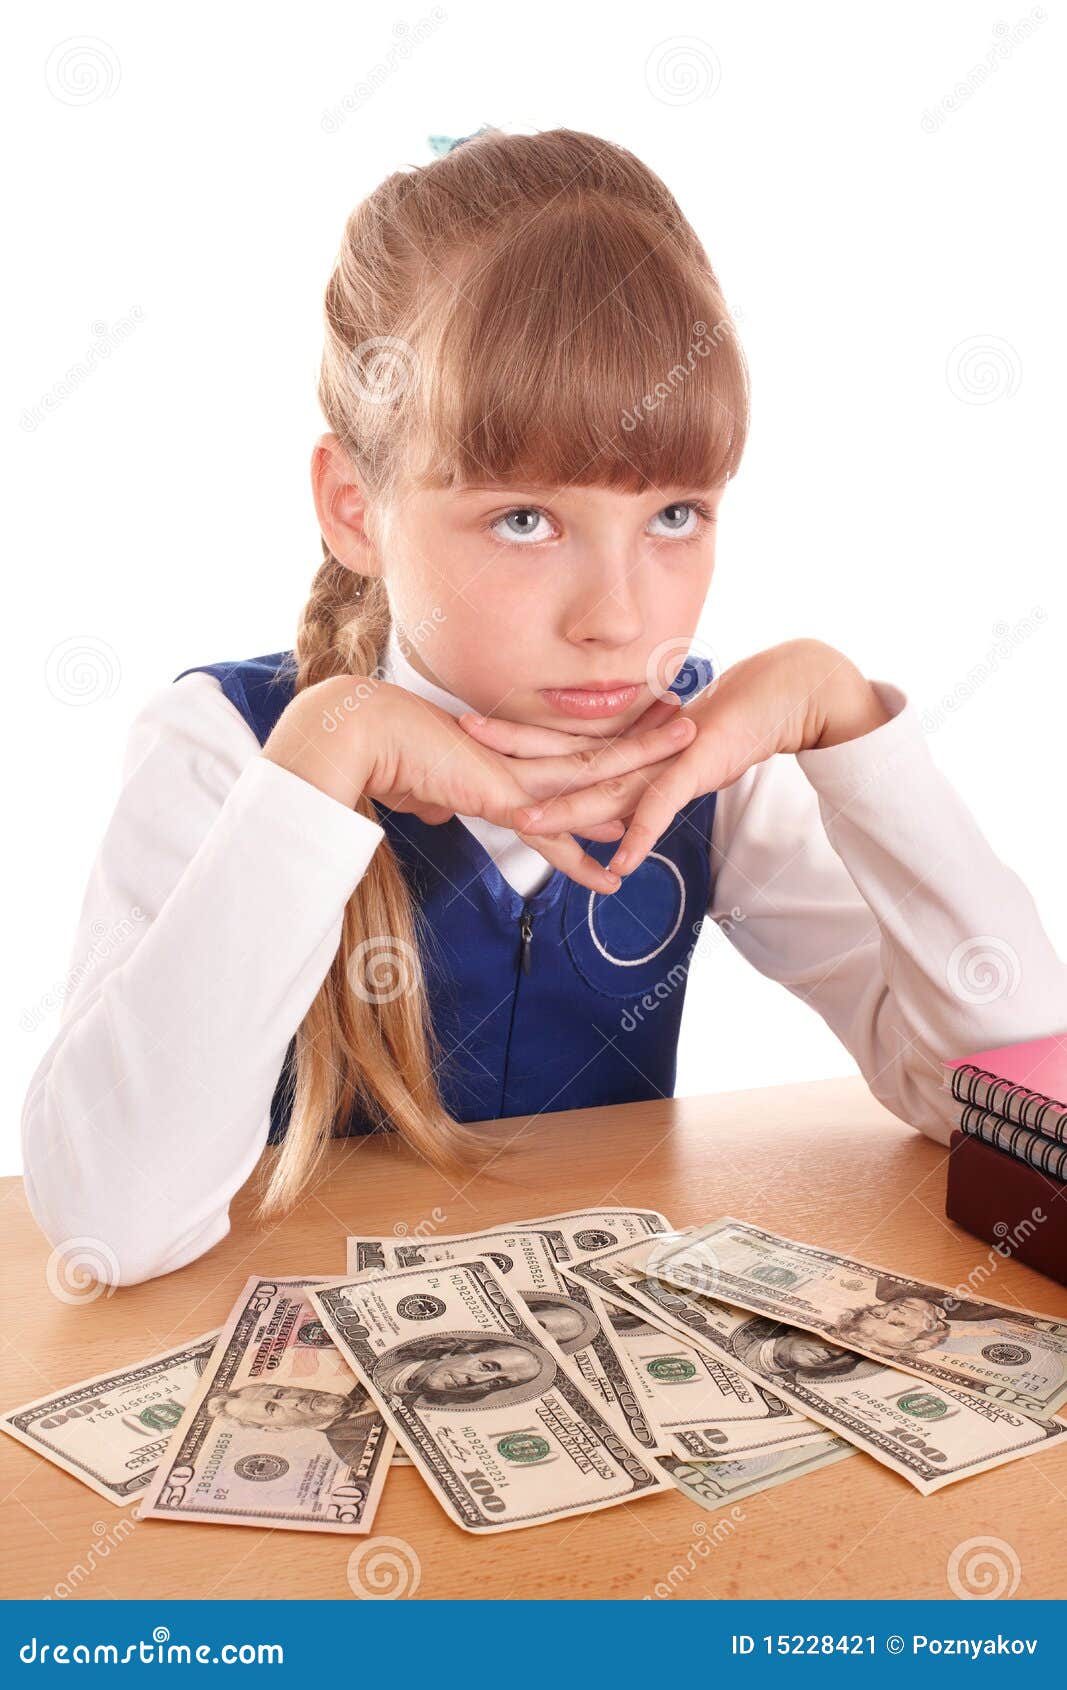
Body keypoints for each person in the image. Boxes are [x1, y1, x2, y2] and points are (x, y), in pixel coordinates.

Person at [20, 127, 1066, 1286]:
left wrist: (850, 727)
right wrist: (324, 754)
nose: (616, 617)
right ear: (354, 507)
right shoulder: (227, 750)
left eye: (674, 514)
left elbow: (993, 1097)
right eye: (525, 519)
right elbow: (111, 1219)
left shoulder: (706, 762)